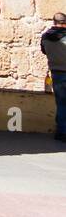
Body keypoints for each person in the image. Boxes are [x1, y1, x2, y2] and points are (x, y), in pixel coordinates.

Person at [41, 12, 66, 143]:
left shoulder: (45, 36)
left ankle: (61, 132)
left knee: (61, 104)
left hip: (56, 73)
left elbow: (44, 51)